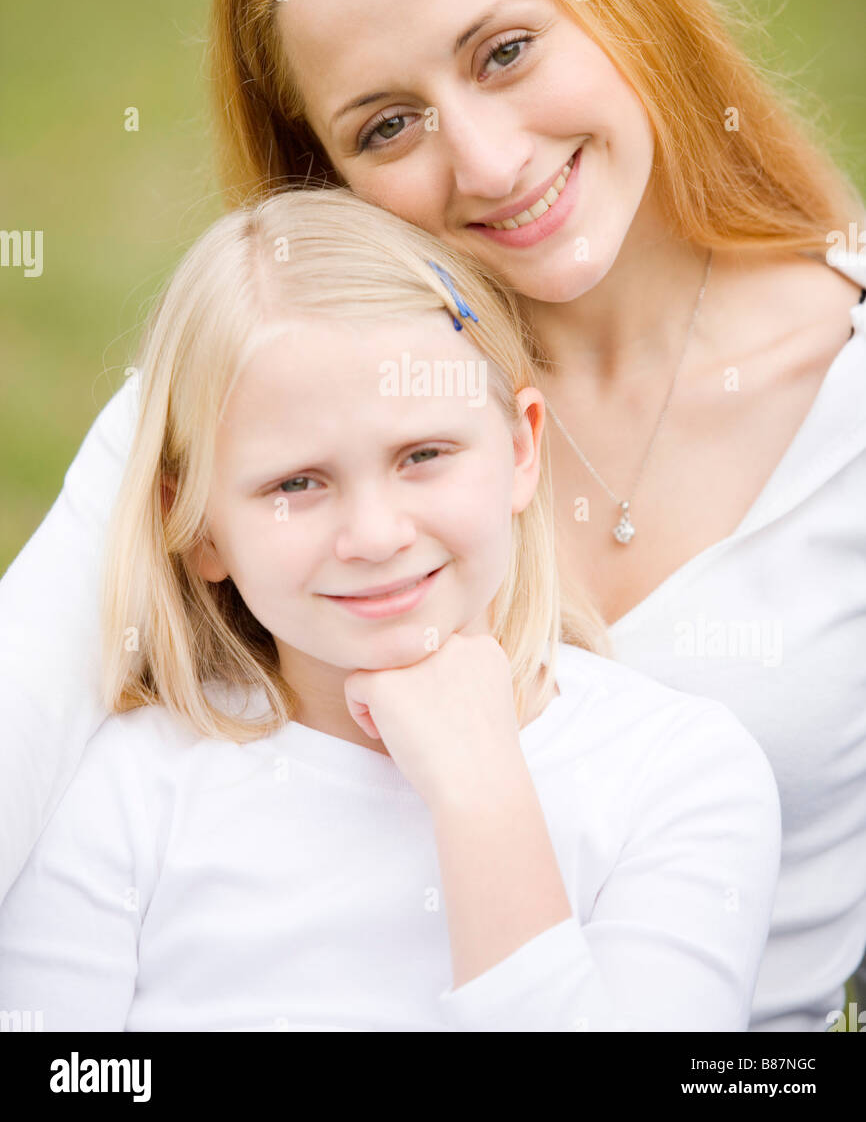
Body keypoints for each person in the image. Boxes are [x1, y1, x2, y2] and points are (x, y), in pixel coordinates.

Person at [0, 0, 862, 1031]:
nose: (492, 160)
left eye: (505, 51)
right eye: (387, 125)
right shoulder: (252, 405)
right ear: (325, 177)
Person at [0, 190, 780, 1032]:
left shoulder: (678, 775)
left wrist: (480, 793)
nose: (374, 535)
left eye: (423, 455)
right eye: (296, 483)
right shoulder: (127, 789)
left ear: (521, 450)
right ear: (197, 526)